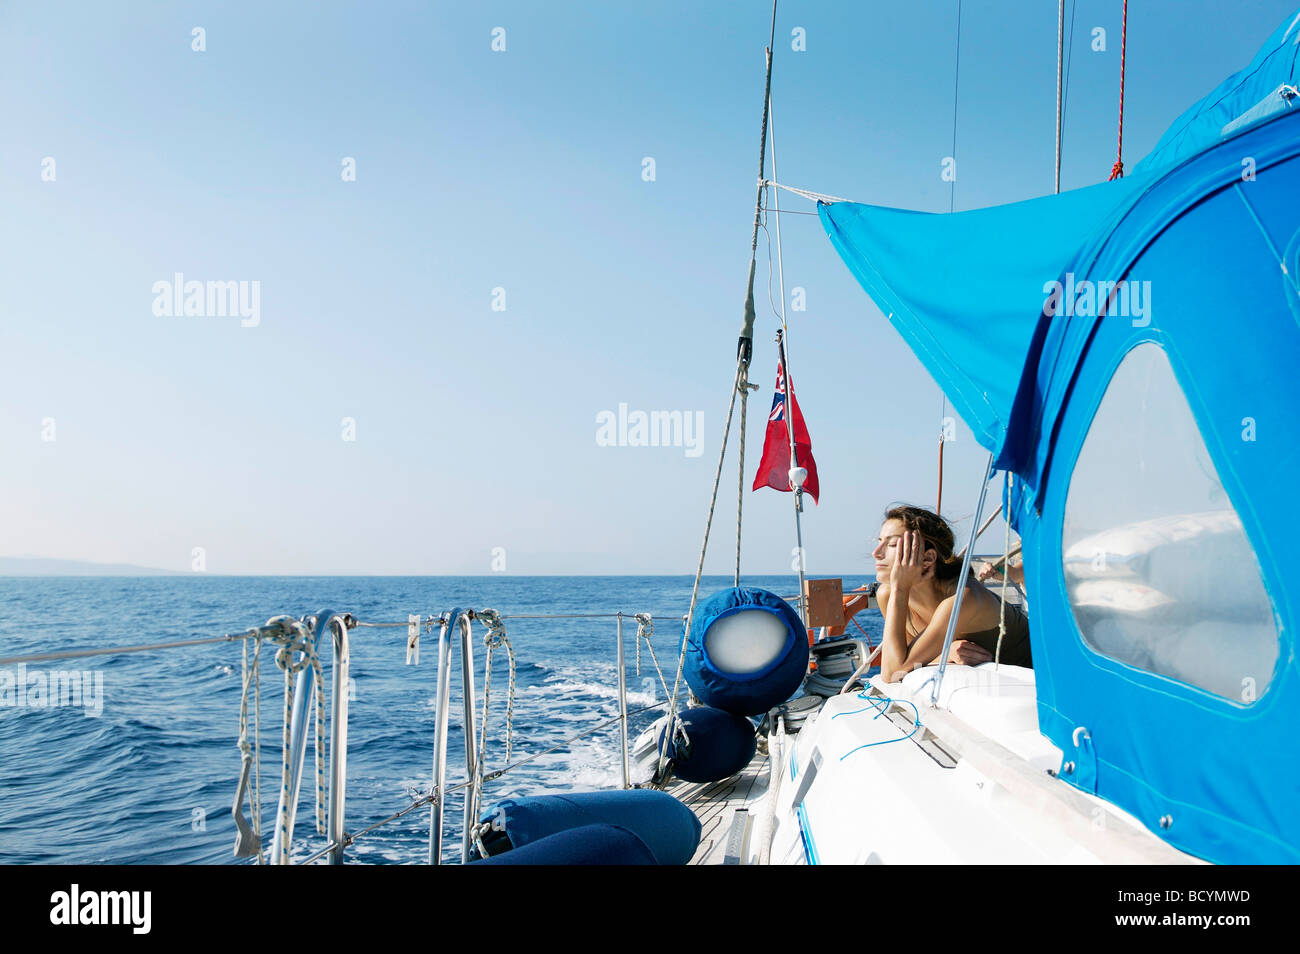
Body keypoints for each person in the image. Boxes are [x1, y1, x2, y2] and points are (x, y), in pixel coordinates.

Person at [853, 505, 1032, 682]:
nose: (876, 553)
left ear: (928, 558)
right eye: (879, 542)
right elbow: (901, 664)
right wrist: (945, 655)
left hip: (1033, 682)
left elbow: (893, 671)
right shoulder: (888, 594)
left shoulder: (963, 598)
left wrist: (900, 589)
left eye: (892, 544)